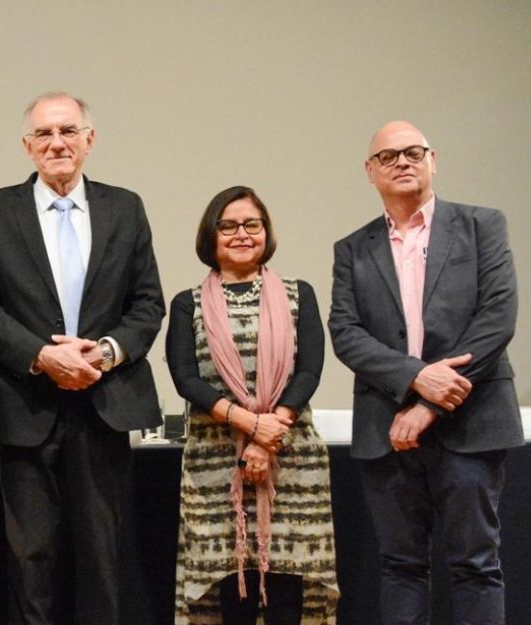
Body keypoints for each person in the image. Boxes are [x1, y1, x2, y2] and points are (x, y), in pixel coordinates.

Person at [0, 92, 165, 625]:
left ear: (89, 140)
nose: (57, 143)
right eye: (45, 134)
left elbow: (147, 304)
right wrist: (42, 356)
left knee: (102, 557)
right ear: (27, 147)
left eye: (69, 131)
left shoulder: (126, 206)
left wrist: (101, 353)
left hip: (105, 404)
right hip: (26, 406)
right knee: (30, 558)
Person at [328, 121, 522, 625]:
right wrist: (417, 379)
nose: (402, 162)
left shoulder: (482, 225)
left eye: (413, 152)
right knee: (400, 567)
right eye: (388, 156)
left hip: (471, 421)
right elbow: (346, 333)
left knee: (476, 565)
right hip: (388, 431)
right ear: (370, 172)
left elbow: (497, 316)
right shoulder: (351, 248)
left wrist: (431, 403)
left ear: (433, 160)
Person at [166, 186, 338, 625]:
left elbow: (310, 371)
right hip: (215, 461)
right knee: (230, 583)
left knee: (287, 579)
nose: (241, 233)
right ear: (211, 235)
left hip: (290, 455)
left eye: (251, 224)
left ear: (266, 232)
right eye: (228, 226)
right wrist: (247, 423)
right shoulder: (187, 303)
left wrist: (267, 434)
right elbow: (186, 378)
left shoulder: (301, 294)